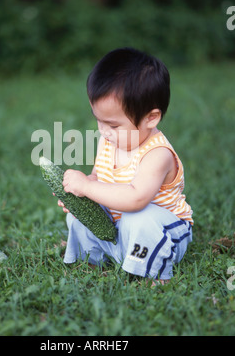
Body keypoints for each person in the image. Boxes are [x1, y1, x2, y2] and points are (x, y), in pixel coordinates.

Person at [58, 47, 193, 282]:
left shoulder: (157, 154)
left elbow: (135, 198)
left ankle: (155, 273)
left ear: (151, 118)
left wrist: (87, 188)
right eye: (98, 121)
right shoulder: (108, 141)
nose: (103, 131)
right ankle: (95, 260)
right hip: (120, 231)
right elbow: (98, 179)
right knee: (82, 215)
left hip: (164, 234)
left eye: (113, 125)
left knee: (138, 217)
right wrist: (81, 191)